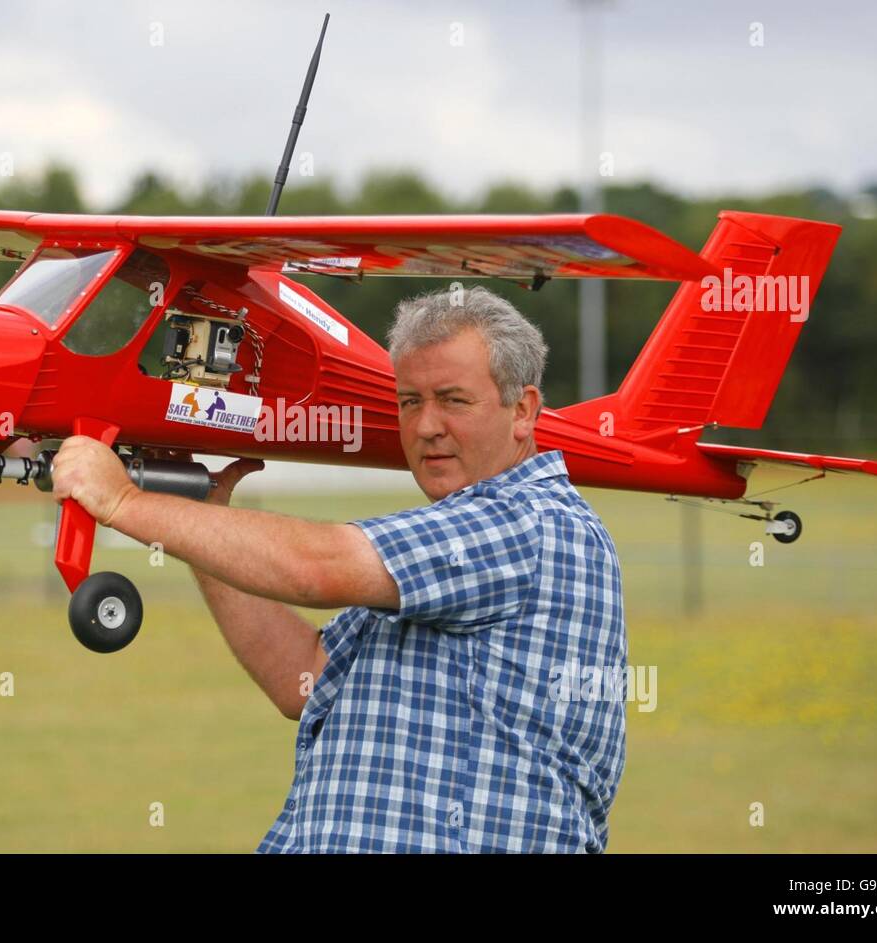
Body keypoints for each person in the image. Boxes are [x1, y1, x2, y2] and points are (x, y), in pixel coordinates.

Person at [51, 285, 627, 853]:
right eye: (409, 402)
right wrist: (203, 517)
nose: (426, 426)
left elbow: (317, 567)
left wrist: (125, 503)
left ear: (522, 410)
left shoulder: (529, 524)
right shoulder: (451, 545)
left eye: (453, 400)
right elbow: (301, 678)